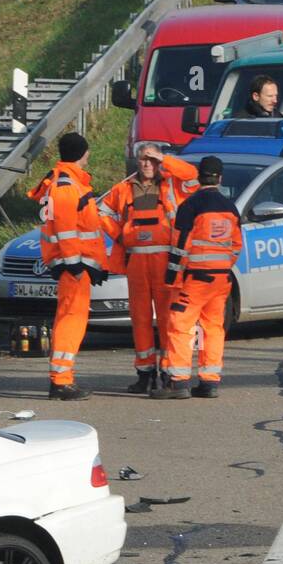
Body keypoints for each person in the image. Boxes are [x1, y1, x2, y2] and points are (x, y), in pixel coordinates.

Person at [98, 144, 198, 393]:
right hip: (137, 261)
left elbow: (191, 174)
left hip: (165, 260)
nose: (146, 164)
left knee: (167, 318)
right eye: (143, 159)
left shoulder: (173, 184)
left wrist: (164, 157)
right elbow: (101, 211)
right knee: (140, 318)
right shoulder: (123, 188)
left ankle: (166, 370)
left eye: (151, 160)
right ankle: (144, 373)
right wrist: (120, 236)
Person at [26, 131, 111, 400]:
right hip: (72, 267)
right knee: (70, 322)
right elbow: (66, 230)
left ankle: (62, 378)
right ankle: (61, 381)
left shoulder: (67, 182)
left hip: (75, 265)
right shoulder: (66, 186)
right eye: (87, 151)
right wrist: (75, 264)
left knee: (70, 320)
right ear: (82, 153)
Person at [152, 155, 242, 400]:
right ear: (220, 178)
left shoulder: (190, 206)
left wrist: (172, 278)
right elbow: (236, 246)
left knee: (180, 326)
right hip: (221, 279)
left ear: (199, 176)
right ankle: (209, 381)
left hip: (195, 279)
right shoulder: (230, 208)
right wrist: (222, 265)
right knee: (213, 327)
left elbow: (180, 246)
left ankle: (178, 382)